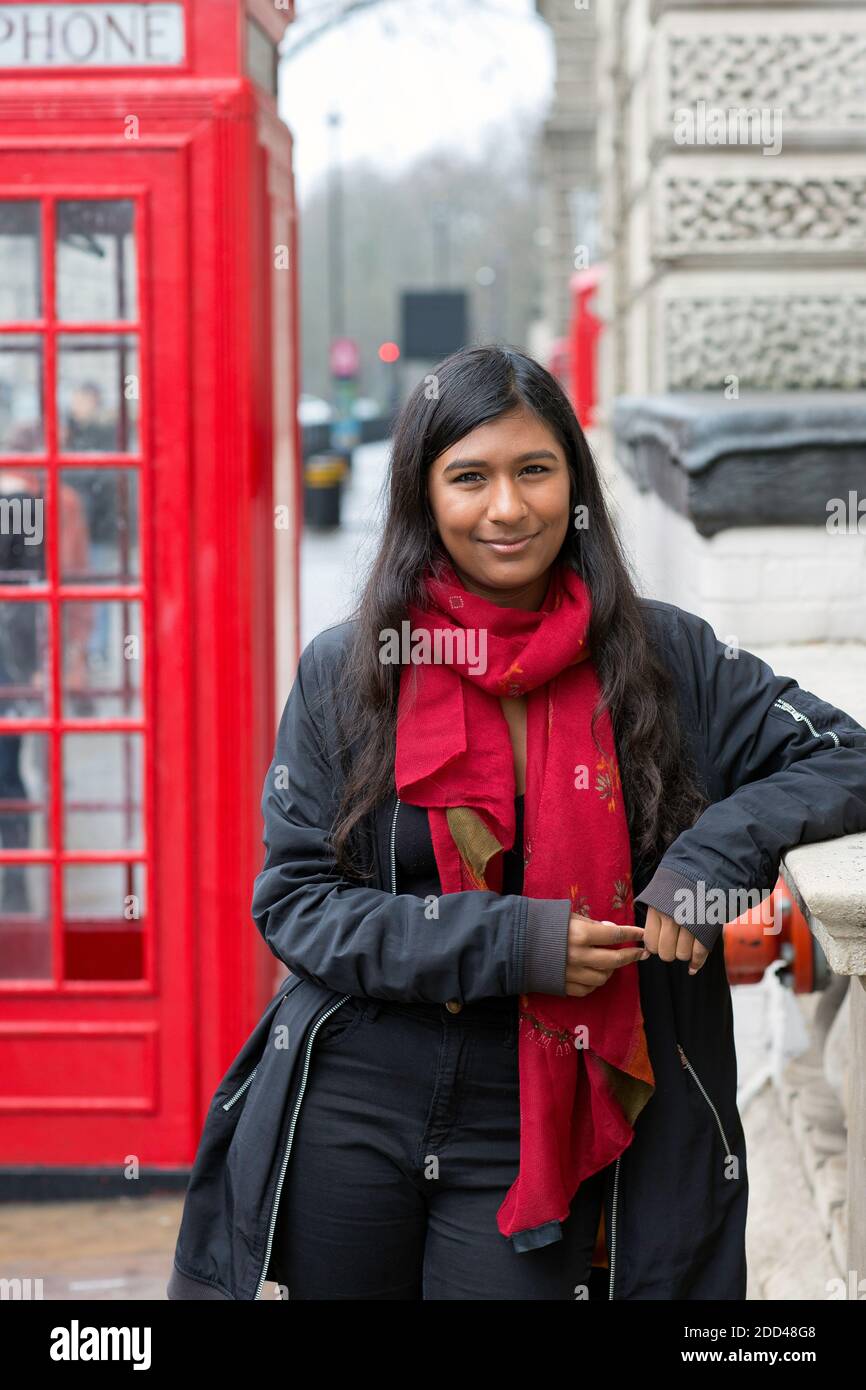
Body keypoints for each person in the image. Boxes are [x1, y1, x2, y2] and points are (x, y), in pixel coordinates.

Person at [168, 343, 866, 1301]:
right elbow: (295, 902)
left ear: (575, 481)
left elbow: (846, 755)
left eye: (535, 470)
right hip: (355, 1101)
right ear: (424, 498)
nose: (507, 508)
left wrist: (711, 857)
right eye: (470, 477)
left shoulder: (665, 659)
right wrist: (513, 942)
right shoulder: (350, 668)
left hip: (538, 1118)